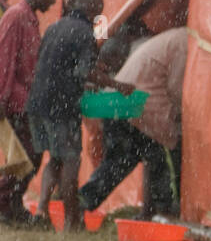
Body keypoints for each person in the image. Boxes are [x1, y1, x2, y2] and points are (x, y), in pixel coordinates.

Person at [25, 0, 133, 233]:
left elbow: (59, 68)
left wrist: (88, 80)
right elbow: (84, 72)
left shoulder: (56, 26)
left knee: (55, 157)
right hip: (61, 106)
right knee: (71, 161)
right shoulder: (85, 34)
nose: (98, 19)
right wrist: (118, 85)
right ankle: (72, 222)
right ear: (93, 9)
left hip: (38, 102)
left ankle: (41, 211)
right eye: (98, 14)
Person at [79, 27, 191, 219]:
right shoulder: (184, 44)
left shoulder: (172, 38)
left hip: (119, 103)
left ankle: (82, 202)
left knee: (124, 161)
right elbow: (175, 89)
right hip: (141, 108)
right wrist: (186, 113)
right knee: (158, 158)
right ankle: (161, 209)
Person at [0, 0, 59, 225]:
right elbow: (3, 58)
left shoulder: (29, 18)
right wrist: (1, 97)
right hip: (16, 100)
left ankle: (12, 204)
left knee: (29, 156)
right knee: (27, 157)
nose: (54, 1)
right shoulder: (16, 16)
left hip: (27, 99)